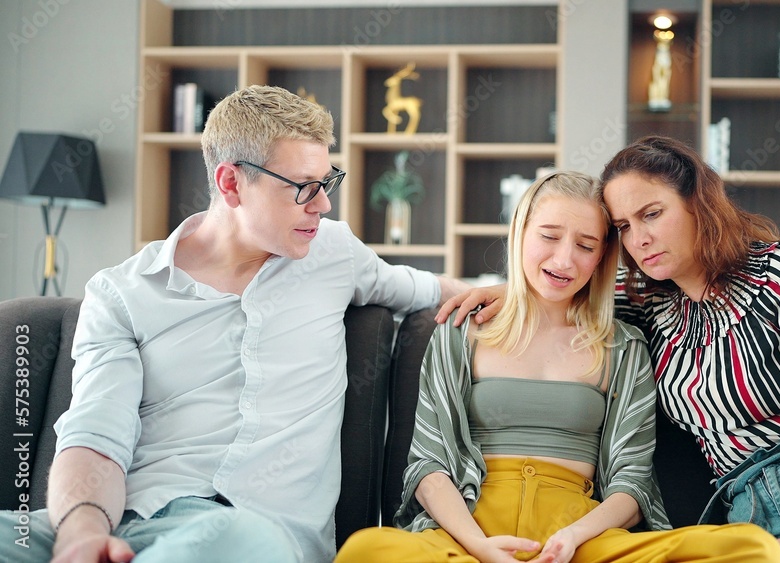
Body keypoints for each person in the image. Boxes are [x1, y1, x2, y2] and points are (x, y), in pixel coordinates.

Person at [437, 136, 780, 563]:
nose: (639, 239)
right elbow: (572, 283)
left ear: (698, 203)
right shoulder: (655, 307)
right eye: (624, 227)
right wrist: (508, 289)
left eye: (652, 214)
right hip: (746, 505)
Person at [0, 85, 469, 563]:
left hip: (252, 534)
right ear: (231, 184)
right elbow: (97, 434)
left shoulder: (336, 254)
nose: (324, 205)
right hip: (129, 516)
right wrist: (81, 539)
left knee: (233, 542)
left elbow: (432, 289)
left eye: (328, 182)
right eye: (304, 186)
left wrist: (521, 296)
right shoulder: (122, 292)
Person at [338, 171, 780, 563]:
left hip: (582, 536)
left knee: (753, 549)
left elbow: (632, 482)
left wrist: (571, 539)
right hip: (469, 532)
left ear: (601, 258)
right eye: (549, 236)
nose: (564, 260)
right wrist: (480, 547)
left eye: (585, 245)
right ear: (521, 233)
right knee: (367, 551)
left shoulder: (624, 346)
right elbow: (428, 466)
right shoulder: (460, 333)